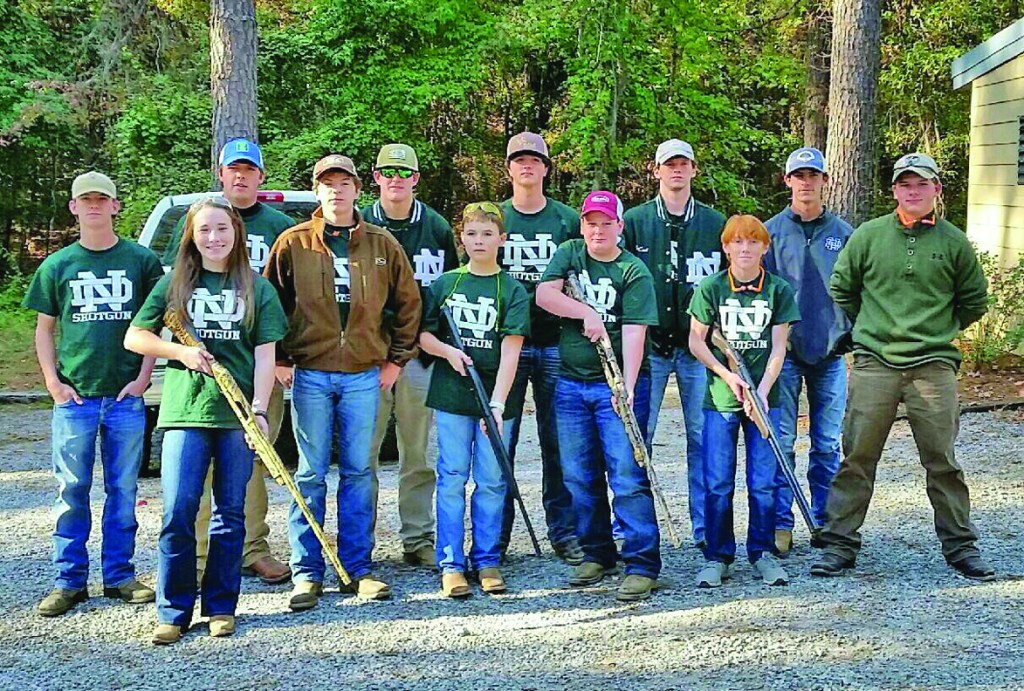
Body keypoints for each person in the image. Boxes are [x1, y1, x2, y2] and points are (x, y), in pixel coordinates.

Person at [812, 153, 995, 581]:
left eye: (922, 184)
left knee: (942, 460)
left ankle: (961, 547)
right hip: (876, 362)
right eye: (905, 184)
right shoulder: (870, 236)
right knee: (857, 457)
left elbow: (974, 300)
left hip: (933, 365)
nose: (913, 191)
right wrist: (872, 329)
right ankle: (839, 544)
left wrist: (939, 331)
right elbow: (843, 287)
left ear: (936, 190)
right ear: (894, 190)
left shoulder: (954, 241)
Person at [125, 197, 287, 644]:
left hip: (236, 417)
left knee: (229, 514)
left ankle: (221, 607)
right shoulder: (174, 285)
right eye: (204, 231)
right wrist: (181, 352)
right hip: (185, 412)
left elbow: (265, 354)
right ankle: (173, 610)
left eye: (222, 229)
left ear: (236, 234)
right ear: (192, 238)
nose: (213, 238)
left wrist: (258, 408)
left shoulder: (258, 288)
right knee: (179, 510)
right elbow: (136, 336)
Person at [264, 155, 421, 610]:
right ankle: (307, 572)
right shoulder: (292, 244)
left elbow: (408, 305)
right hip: (310, 374)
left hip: (362, 376)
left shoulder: (381, 243)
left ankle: (358, 568)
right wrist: (279, 356)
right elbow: (270, 302)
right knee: (310, 474)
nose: (336, 191)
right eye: (327, 184)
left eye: (344, 183)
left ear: (357, 189)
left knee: (359, 472)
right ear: (316, 191)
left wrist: (396, 360)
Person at [23, 171, 164, 618]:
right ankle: (69, 580)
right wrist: (52, 382)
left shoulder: (140, 261)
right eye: (87, 200)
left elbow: (156, 323)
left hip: (125, 396)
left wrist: (144, 378)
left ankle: (120, 575)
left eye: (103, 199)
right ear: (74, 208)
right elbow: (45, 330)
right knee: (72, 489)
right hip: (75, 399)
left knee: (122, 489)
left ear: (116, 206)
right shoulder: (58, 265)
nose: (95, 206)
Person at [168, 139, 296, 586]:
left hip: (259, 364)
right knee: (197, 467)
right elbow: (174, 297)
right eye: (232, 169)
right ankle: (203, 552)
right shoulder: (200, 224)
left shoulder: (281, 227)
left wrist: (283, 356)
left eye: (249, 170)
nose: (240, 176)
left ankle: (252, 549)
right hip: (199, 375)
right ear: (220, 174)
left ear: (261, 177)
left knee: (256, 456)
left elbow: (292, 297)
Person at [536, 191, 662, 602]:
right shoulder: (571, 252)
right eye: (591, 222)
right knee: (577, 475)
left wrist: (622, 386)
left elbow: (634, 332)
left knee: (626, 475)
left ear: (620, 227)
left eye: (606, 223)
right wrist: (586, 313)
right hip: (571, 383)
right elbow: (545, 295)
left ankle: (642, 562)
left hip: (615, 384)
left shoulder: (633, 271)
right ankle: (598, 553)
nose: (597, 230)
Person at [419, 202, 529, 597]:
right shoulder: (445, 284)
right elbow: (424, 336)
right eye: (471, 234)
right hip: (450, 396)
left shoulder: (513, 290)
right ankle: (450, 562)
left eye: (487, 234)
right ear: (461, 239)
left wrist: (497, 405)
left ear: (502, 239)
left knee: (491, 479)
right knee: (450, 477)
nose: (478, 241)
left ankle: (487, 559)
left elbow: (512, 349)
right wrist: (448, 353)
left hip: (496, 401)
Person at [623, 138, 726, 550]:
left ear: (694, 170)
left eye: (684, 163)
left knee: (702, 438)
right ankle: (636, 531)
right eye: (669, 164)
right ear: (656, 170)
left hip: (697, 347)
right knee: (638, 437)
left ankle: (705, 529)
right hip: (649, 347)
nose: (676, 171)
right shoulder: (635, 221)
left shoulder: (714, 223)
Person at [687, 215, 800, 589]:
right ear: (726, 248)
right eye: (737, 242)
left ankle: (763, 553)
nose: (745, 249)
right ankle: (717, 556)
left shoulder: (779, 290)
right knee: (718, 481)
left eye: (753, 242)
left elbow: (779, 348)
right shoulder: (711, 288)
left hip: (767, 399)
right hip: (720, 399)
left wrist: (762, 391)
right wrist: (728, 375)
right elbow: (697, 341)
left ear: (765, 248)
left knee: (763, 481)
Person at [362, 143, 459, 567]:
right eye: (388, 173)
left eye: (404, 174)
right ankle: (357, 543)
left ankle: (417, 538)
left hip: (418, 354)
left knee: (415, 454)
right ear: (376, 177)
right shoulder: (359, 222)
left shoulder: (435, 227)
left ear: (416, 179)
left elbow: (451, 289)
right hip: (367, 356)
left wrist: (434, 342)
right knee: (361, 456)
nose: (396, 181)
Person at [763, 147, 854, 555]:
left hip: (830, 353)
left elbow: (857, 291)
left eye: (812, 175)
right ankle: (781, 523)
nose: (805, 182)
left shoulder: (845, 235)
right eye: (798, 175)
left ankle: (825, 521)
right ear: (787, 181)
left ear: (825, 180)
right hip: (784, 354)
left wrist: (850, 334)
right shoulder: (769, 233)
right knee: (782, 441)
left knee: (826, 444)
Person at [499, 131, 583, 564]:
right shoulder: (494, 219)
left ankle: (564, 532)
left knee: (558, 443)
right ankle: (496, 536)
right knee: (502, 440)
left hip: (556, 342)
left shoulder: (567, 220)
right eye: (519, 159)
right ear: (509, 167)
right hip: (507, 347)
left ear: (547, 168)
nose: (527, 166)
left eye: (535, 159)